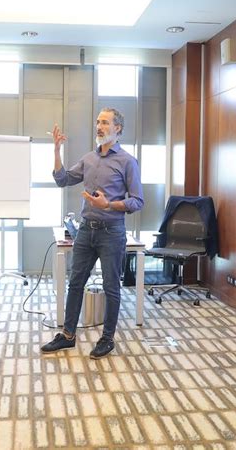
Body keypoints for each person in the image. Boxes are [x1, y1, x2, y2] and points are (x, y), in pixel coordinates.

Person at [41, 108, 144, 359]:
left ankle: (107, 339)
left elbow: (137, 201)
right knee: (75, 283)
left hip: (112, 232)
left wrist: (108, 204)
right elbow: (63, 179)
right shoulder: (88, 159)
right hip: (86, 231)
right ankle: (68, 336)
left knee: (111, 287)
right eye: (98, 122)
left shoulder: (127, 161)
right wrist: (56, 151)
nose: (99, 126)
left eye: (105, 122)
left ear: (117, 128)